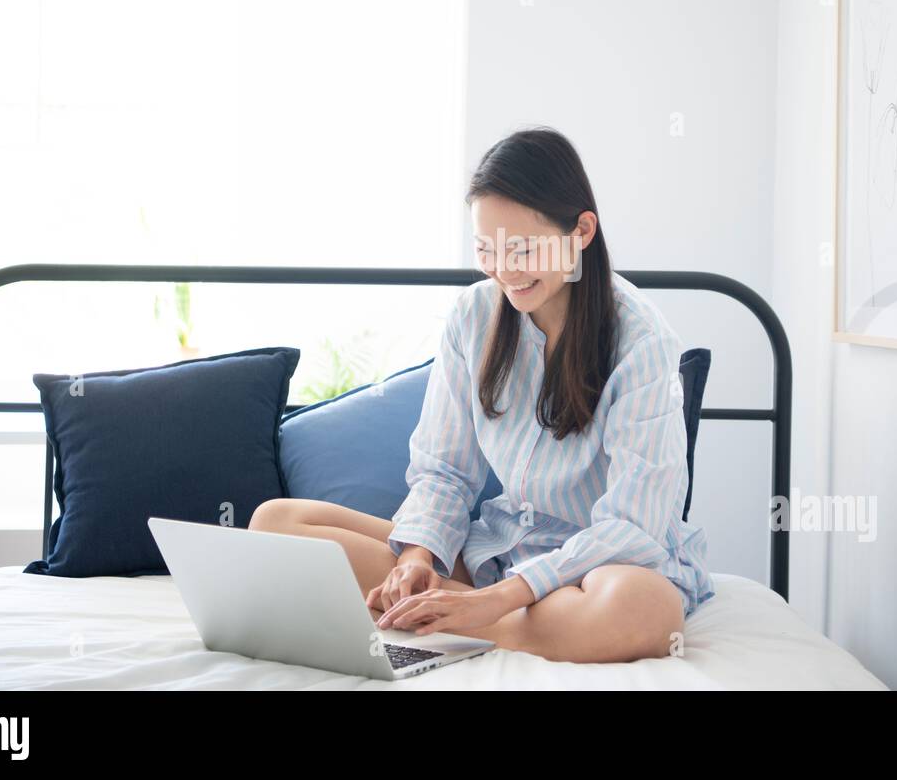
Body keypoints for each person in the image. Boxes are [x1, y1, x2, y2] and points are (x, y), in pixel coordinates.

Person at [249, 127, 714, 662]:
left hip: (599, 570)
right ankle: (452, 608)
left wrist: (497, 601)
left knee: (643, 609)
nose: (504, 270)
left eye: (521, 249)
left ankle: (471, 618)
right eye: (487, 249)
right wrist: (418, 557)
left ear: (581, 231)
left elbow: (633, 526)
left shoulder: (642, 341)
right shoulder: (472, 315)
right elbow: (445, 471)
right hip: (500, 549)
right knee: (276, 523)